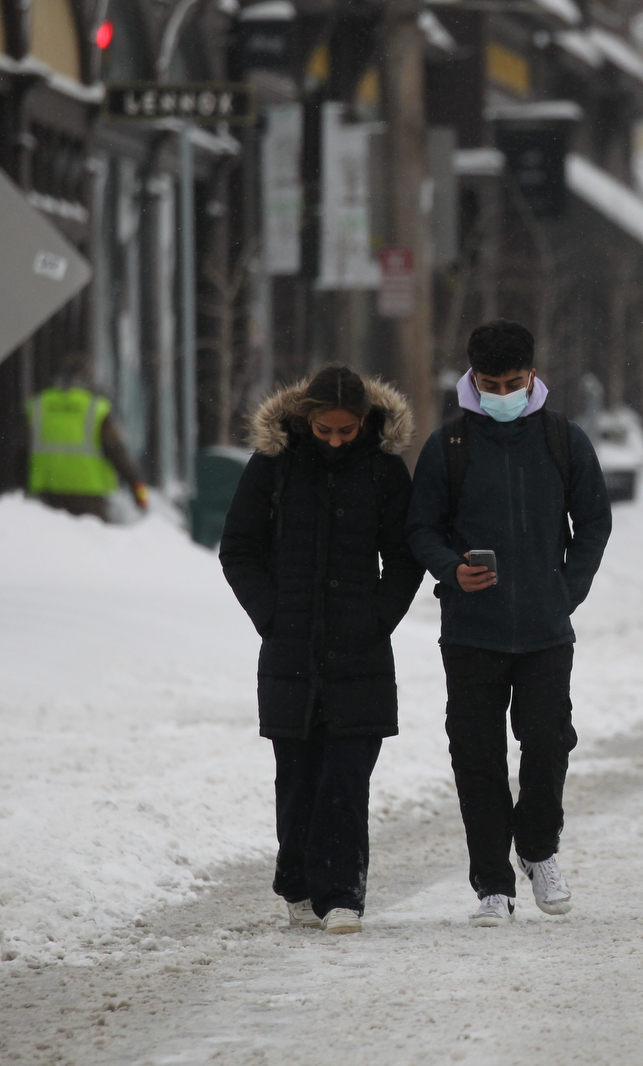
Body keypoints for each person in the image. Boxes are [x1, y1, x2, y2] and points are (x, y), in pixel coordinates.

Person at [406, 320, 613, 927]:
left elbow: (594, 523)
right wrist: (451, 569)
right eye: (490, 383)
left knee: (548, 745)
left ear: (532, 375)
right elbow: (421, 529)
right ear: (472, 379)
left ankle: (539, 849)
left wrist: (565, 590)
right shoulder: (449, 448)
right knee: (477, 756)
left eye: (513, 382)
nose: (502, 393)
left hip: (546, 630)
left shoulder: (563, 440)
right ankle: (492, 883)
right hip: (472, 633)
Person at [218, 365, 423, 935]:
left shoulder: (384, 472)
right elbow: (239, 548)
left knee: (346, 774)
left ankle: (342, 895)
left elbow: (405, 556)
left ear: (365, 423)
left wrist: (378, 618)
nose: (335, 441)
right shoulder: (274, 466)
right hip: (292, 652)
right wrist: (272, 615)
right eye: (325, 430)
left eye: (347, 431)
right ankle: (299, 884)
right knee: (298, 774)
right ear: (306, 420)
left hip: (360, 652)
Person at [26, 375, 149, 520]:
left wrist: (24, 486)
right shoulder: (95, 408)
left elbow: (21, 452)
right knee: (89, 538)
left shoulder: (38, 405)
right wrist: (137, 488)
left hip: (47, 492)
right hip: (88, 496)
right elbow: (117, 452)